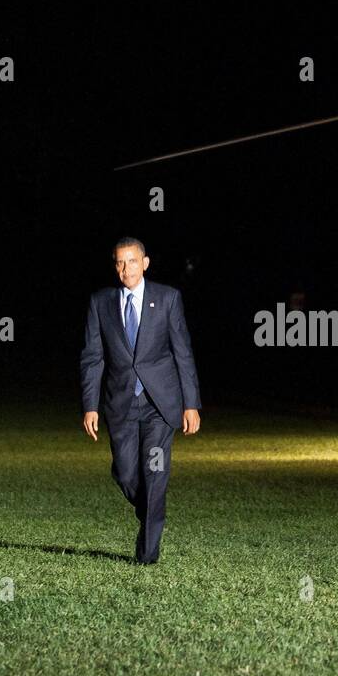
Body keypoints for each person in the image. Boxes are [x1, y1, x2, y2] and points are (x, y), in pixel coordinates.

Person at [80, 237, 202, 564]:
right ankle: (150, 509)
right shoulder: (100, 302)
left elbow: (183, 353)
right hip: (120, 404)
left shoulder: (167, 299)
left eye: (132, 261)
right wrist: (89, 406)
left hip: (160, 406)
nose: (126, 269)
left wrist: (191, 404)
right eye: (120, 262)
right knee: (125, 473)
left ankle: (146, 556)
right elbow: (93, 358)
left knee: (155, 473)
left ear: (145, 263)